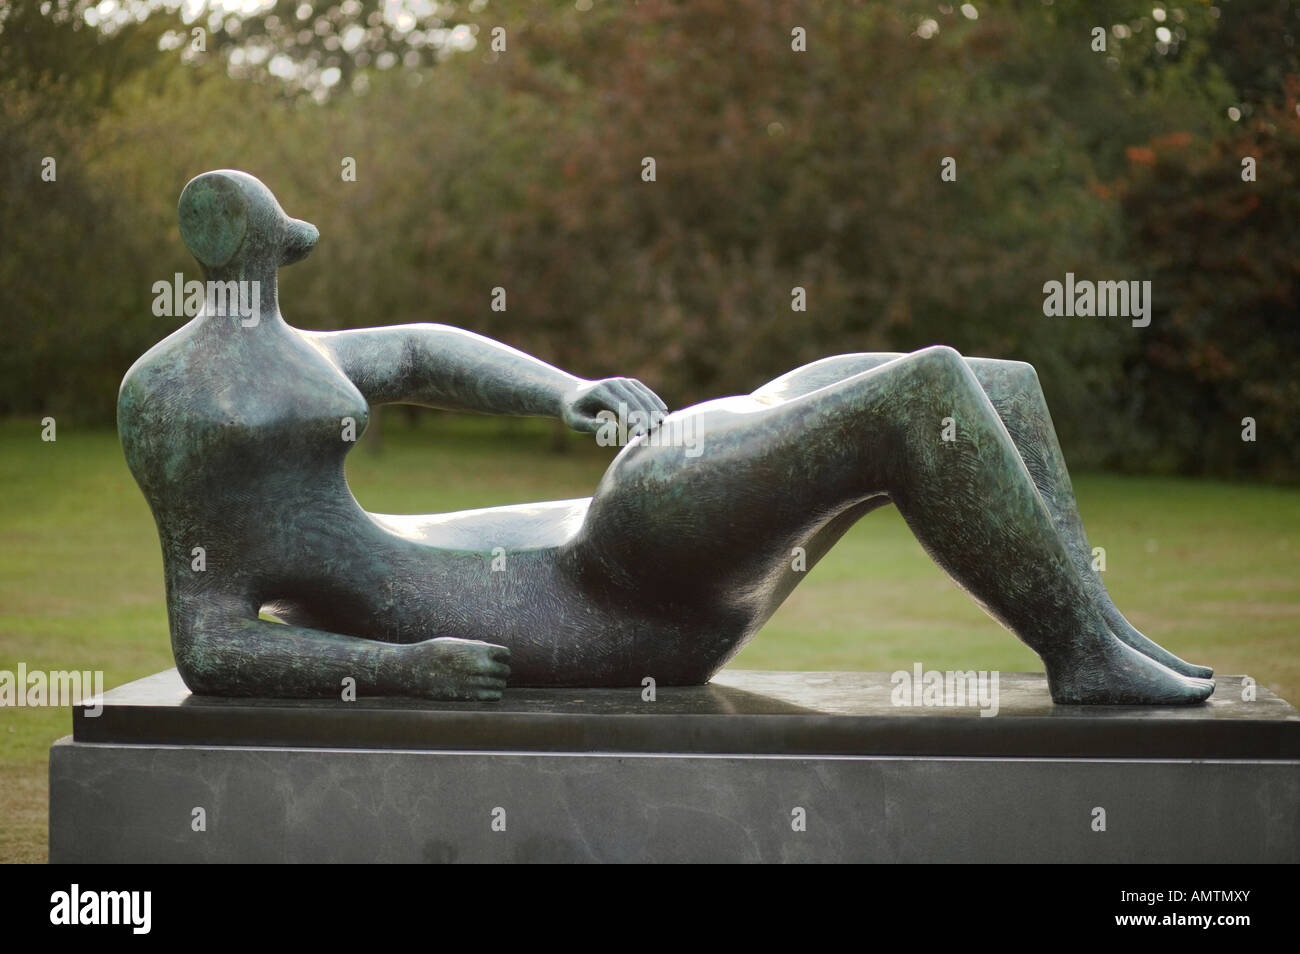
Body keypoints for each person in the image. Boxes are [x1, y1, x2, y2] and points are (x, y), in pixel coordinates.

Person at [118, 170, 1214, 706]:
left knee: (984, 379)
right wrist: (400, 668)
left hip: (610, 533)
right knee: (917, 391)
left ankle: (1100, 628)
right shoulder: (175, 400)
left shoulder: (300, 351)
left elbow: (416, 353)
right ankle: (1083, 659)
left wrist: (564, 394)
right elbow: (210, 644)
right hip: (607, 586)